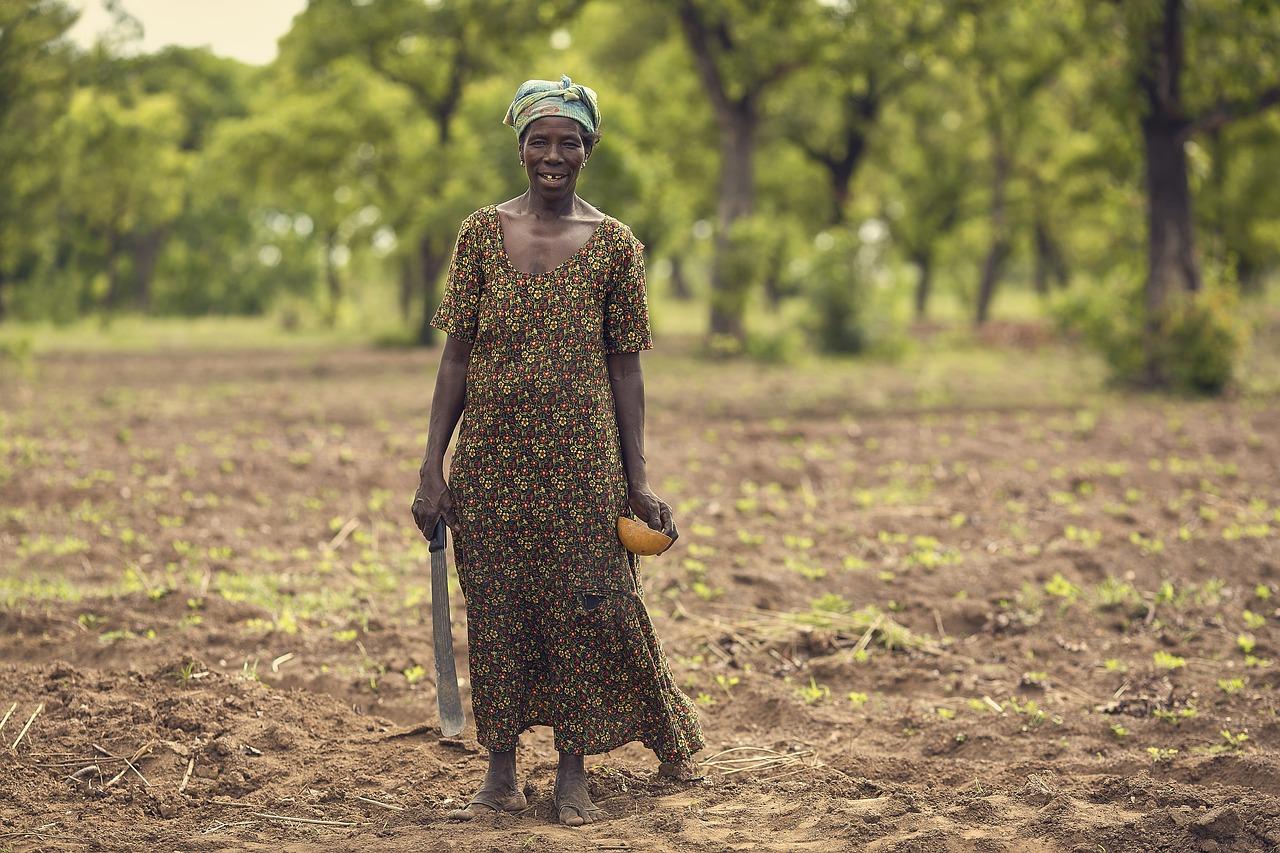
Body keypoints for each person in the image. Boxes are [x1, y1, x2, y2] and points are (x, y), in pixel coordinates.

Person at [410, 75, 703, 828]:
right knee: (498, 610)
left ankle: (573, 773)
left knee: (586, 611)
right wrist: (432, 467)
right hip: (492, 465)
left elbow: (627, 368)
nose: (552, 155)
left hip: (584, 468)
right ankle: (501, 769)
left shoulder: (615, 246)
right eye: (538, 141)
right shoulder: (480, 235)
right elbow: (455, 357)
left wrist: (638, 480)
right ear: (519, 149)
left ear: (588, 149)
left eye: (567, 141)